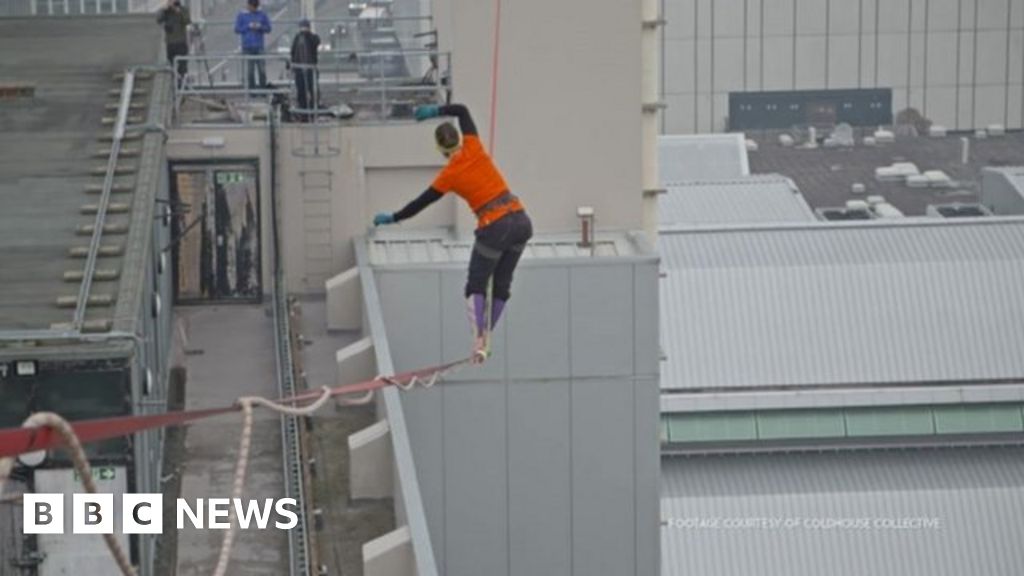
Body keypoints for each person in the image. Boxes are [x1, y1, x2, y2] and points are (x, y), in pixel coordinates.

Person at [373, 104, 533, 361]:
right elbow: (462, 110)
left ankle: (479, 339)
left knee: (475, 286)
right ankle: (486, 333)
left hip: (495, 226)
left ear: (440, 149)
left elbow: (419, 204)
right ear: (459, 138)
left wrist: (393, 218)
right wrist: (435, 111)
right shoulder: (473, 145)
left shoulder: (448, 175)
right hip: (521, 220)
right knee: (502, 284)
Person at [234, 0, 271, 91]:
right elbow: (237, 29)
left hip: (259, 46)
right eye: (251, 6)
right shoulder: (242, 15)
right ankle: (252, 91)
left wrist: (260, 27)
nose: (253, 9)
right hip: (247, 46)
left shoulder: (262, 14)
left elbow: (269, 28)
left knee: (261, 70)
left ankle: (263, 90)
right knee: (250, 71)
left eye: (255, 7)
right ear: (248, 5)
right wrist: (248, 27)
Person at [289, 19, 320, 121]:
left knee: (313, 91)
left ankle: (313, 111)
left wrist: (308, 34)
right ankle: (304, 113)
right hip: (299, 70)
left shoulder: (312, 37)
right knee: (301, 91)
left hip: (311, 68)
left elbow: (316, 42)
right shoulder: (297, 38)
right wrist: (293, 65)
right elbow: (293, 52)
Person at [157, 0, 191, 86]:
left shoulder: (183, 9)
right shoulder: (166, 12)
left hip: (181, 42)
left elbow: (187, 21)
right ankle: (173, 86)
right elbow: (159, 20)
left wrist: (178, 11)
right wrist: (164, 9)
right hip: (170, 44)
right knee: (171, 67)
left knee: (182, 67)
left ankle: (182, 86)